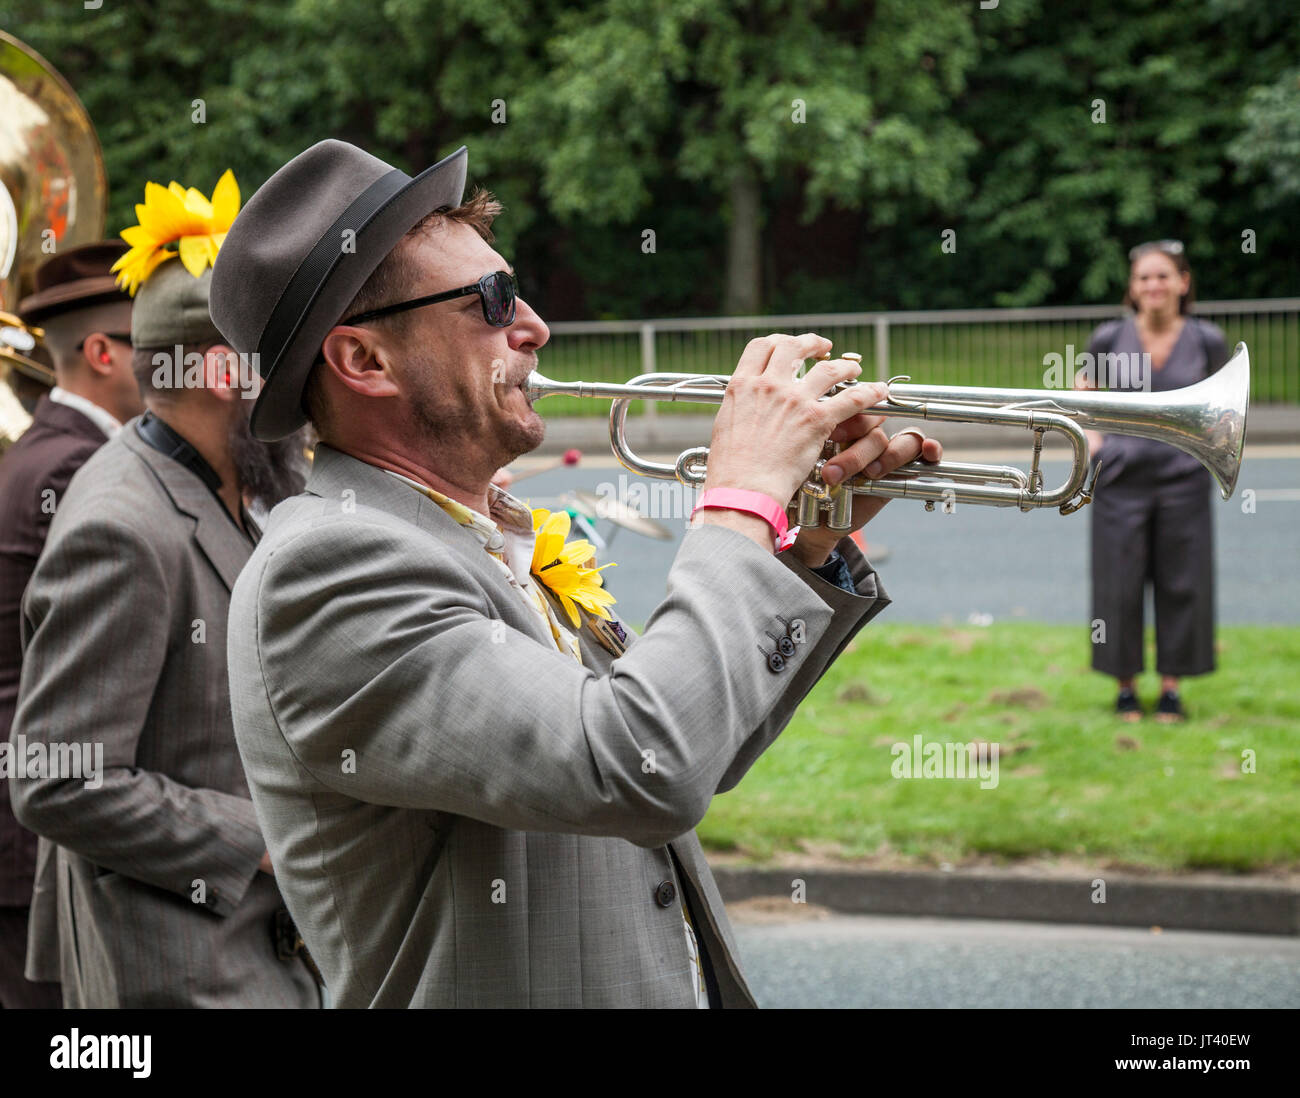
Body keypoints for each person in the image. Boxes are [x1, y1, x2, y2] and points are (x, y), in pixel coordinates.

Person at [210, 139, 940, 1008]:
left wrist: (801, 548)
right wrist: (740, 500)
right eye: (492, 301)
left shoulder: (478, 532)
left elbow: (695, 742)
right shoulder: (330, 568)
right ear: (365, 362)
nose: (534, 326)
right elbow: (640, 763)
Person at [8, 173, 319, 1007]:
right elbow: (57, 778)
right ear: (223, 370)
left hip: (241, 950)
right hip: (184, 967)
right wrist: (268, 839)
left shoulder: (215, 478)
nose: (299, 392)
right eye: (280, 364)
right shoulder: (123, 524)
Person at [0, 242, 141, 1008]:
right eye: (151, 346)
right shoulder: (73, 468)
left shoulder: (53, 449)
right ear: (100, 353)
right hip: (30, 838)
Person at [1084, 240, 1228, 722]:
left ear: (1183, 283)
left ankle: (1171, 689)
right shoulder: (1107, 338)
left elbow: (1226, 409)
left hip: (1184, 480)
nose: (1154, 285)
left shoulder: (1207, 339)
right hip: (1120, 481)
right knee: (1118, 584)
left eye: (1163, 275)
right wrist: (1094, 441)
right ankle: (1125, 689)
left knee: (1183, 582)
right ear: (1132, 287)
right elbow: (1082, 400)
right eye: (1144, 277)